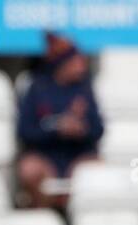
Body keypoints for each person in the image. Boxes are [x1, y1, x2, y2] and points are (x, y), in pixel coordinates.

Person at [16, 32, 104, 208]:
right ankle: (44, 216)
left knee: (96, 170)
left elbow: (98, 129)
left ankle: (81, 219)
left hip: (77, 155)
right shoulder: (37, 89)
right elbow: (24, 131)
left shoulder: (85, 89)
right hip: (46, 156)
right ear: (63, 64)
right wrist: (57, 130)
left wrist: (80, 129)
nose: (81, 65)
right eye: (75, 60)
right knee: (29, 169)